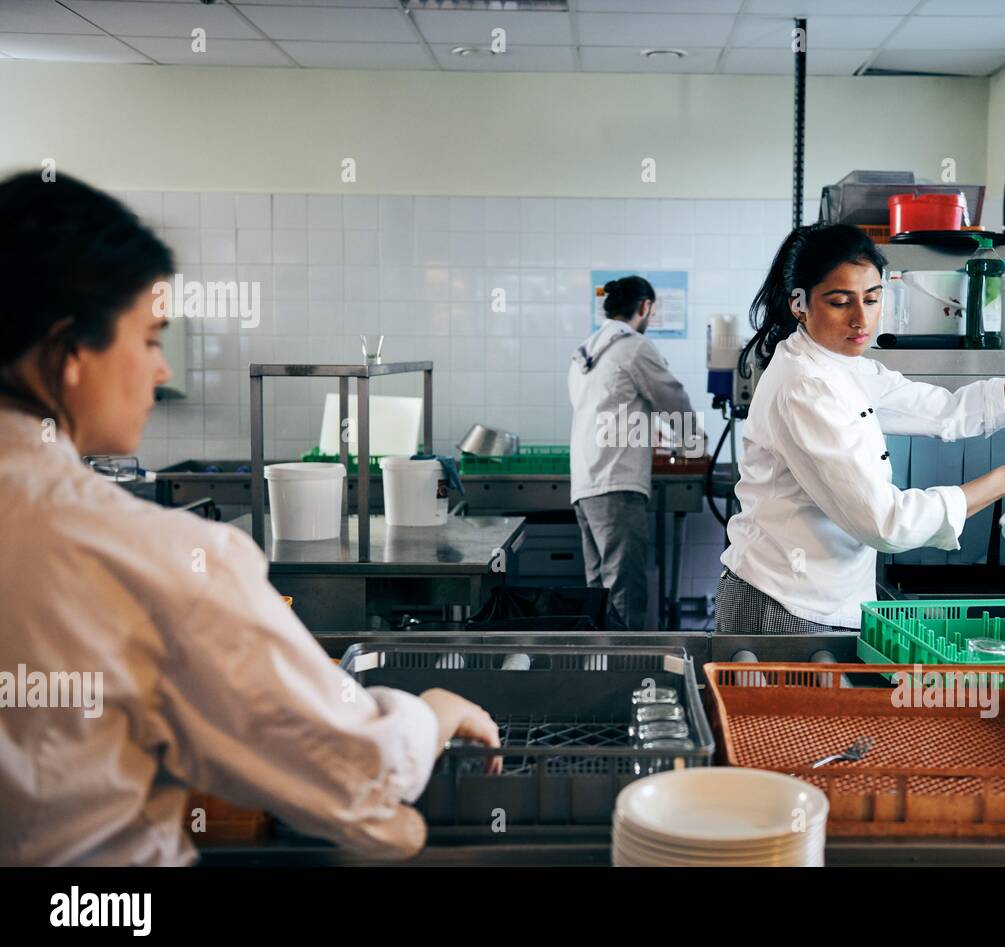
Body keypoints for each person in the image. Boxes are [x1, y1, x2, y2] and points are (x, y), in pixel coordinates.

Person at [0, 171, 500, 865]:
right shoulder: (137, 553)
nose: (161, 370)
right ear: (70, 350)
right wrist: (438, 710)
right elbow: (353, 775)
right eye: (148, 339)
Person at [716, 224, 1005, 634]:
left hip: (821, 598)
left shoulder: (843, 365)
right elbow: (887, 522)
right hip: (784, 606)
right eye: (839, 303)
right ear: (798, 304)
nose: (861, 319)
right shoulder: (805, 387)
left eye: (872, 299)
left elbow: (951, 411)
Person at [568, 276, 703, 629]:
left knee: (598, 590)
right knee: (624, 592)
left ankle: (596, 670)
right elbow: (672, 399)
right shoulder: (634, 347)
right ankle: (623, 674)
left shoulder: (586, 350)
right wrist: (696, 444)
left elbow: (610, 410)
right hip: (616, 484)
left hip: (586, 483)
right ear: (645, 307)